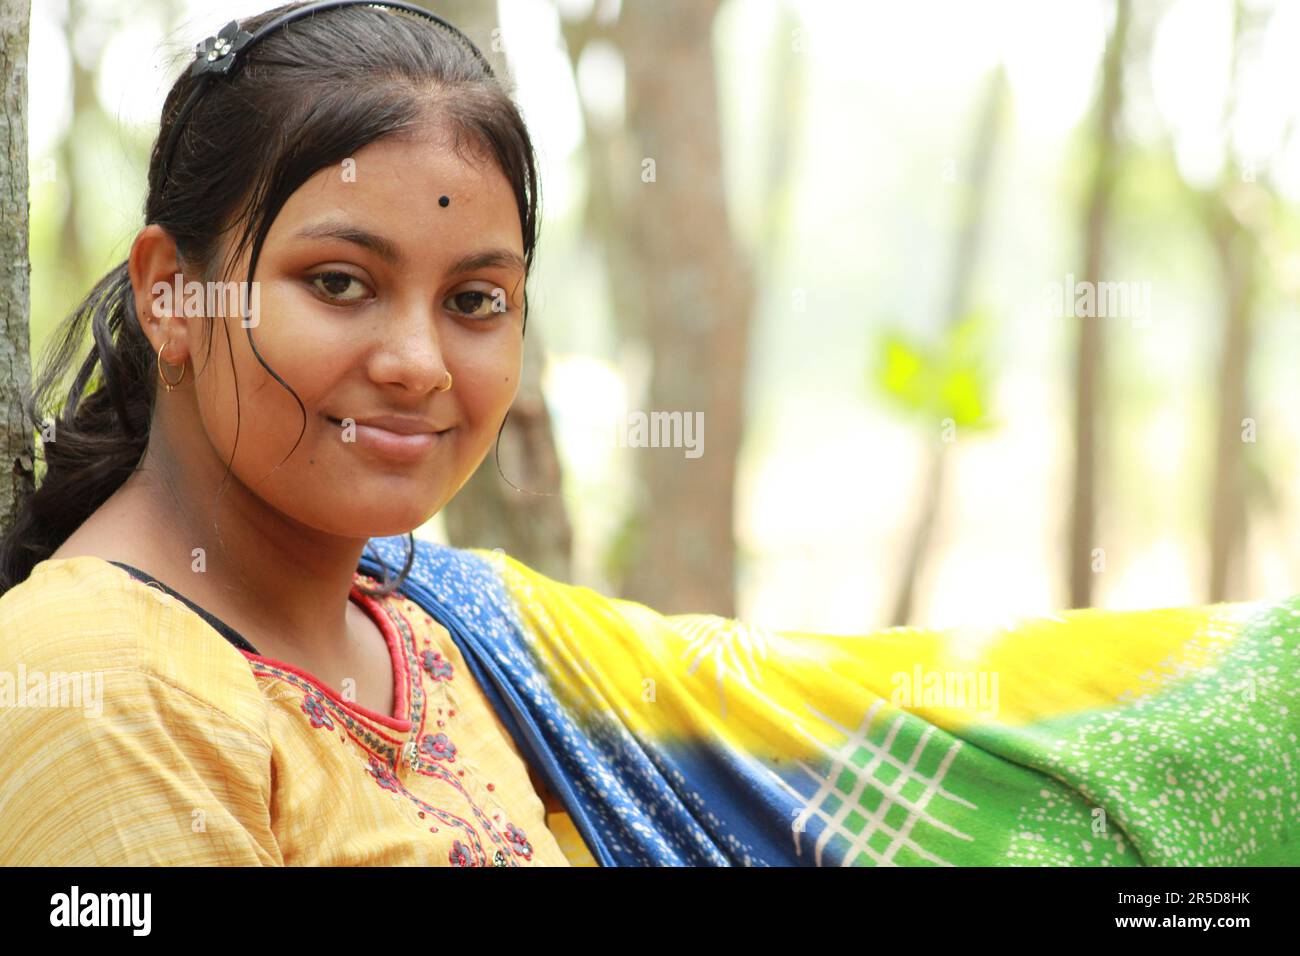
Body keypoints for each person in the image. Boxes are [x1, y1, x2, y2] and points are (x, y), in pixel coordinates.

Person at [1, 0, 1296, 868]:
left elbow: (878, 714)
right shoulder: (98, 690)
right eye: (340, 282)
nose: (414, 364)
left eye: (474, 302)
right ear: (173, 289)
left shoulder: (450, 629)